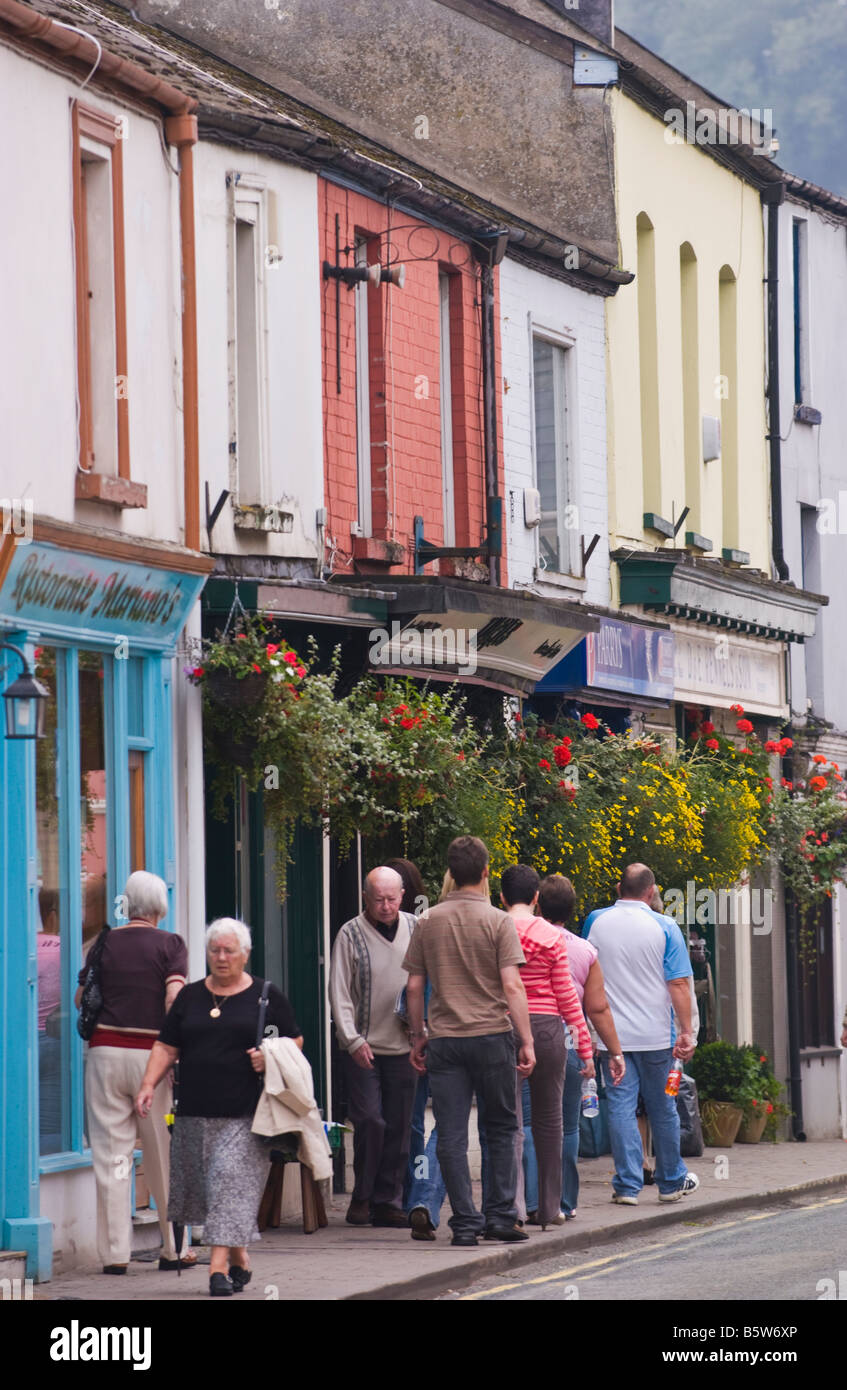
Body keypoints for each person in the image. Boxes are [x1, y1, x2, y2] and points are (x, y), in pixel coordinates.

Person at [136, 918, 302, 1297]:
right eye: (215, 950)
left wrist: (269, 1055)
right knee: (214, 1193)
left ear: (245, 954)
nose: (221, 957)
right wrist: (147, 1085)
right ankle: (240, 1257)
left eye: (229, 951)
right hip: (194, 1112)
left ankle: (216, 1270)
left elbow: (295, 1040)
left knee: (228, 1182)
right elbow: (166, 1046)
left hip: (245, 1115)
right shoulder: (190, 997)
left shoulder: (265, 995)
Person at [404, 836, 535, 1247]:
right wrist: (526, 1040)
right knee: (499, 1128)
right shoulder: (499, 922)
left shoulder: (428, 921)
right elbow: (513, 986)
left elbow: (413, 985)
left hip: (445, 1040)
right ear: (484, 872)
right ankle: (499, 1217)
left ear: (449, 872)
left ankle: (464, 1222)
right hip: (492, 1037)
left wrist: (417, 1035)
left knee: (452, 1133)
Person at [75, 871, 189, 1275]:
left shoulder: (102, 944)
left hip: (104, 1054)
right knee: (161, 1152)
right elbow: (175, 996)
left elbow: (79, 998)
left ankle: (115, 1255)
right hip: (151, 1058)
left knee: (111, 1156)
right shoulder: (170, 945)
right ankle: (173, 1249)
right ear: (160, 907)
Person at [584, 863, 699, 1206]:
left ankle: (627, 1185)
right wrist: (686, 1032)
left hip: (611, 1037)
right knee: (663, 1106)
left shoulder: (595, 921)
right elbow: (678, 983)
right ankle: (670, 1182)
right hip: (657, 1038)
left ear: (619, 887)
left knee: (620, 1106)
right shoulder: (664, 926)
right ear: (651, 892)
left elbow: (584, 971)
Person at [500, 865, 595, 1230]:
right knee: (550, 1120)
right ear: (536, 898)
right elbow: (568, 996)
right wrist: (584, 1048)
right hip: (549, 1029)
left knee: (510, 1122)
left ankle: (516, 1206)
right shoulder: (551, 937)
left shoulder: (494, 927)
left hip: (503, 1025)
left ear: (503, 897)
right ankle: (551, 1207)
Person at [329, 866, 417, 1227]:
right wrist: (351, 1039)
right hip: (364, 1046)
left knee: (399, 1126)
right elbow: (340, 991)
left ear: (402, 896)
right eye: (378, 899)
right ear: (365, 897)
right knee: (370, 1122)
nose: (385, 906)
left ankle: (388, 1201)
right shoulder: (349, 934)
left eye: (392, 899)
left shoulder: (416, 927)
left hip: (405, 1046)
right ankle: (362, 1197)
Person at [537, 873, 626, 1217]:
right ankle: (565, 1202)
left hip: (530, 1037)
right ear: (572, 911)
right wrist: (614, 1051)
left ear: (538, 904)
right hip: (572, 1040)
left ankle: (534, 1200)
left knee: (530, 1123)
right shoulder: (585, 950)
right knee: (567, 1125)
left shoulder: (522, 939)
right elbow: (597, 1008)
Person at [37, 888, 62, 1154]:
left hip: (20, 1039)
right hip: (54, 1039)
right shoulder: (63, 948)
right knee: (52, 1126)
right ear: (52, 915)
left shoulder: (15, 946)